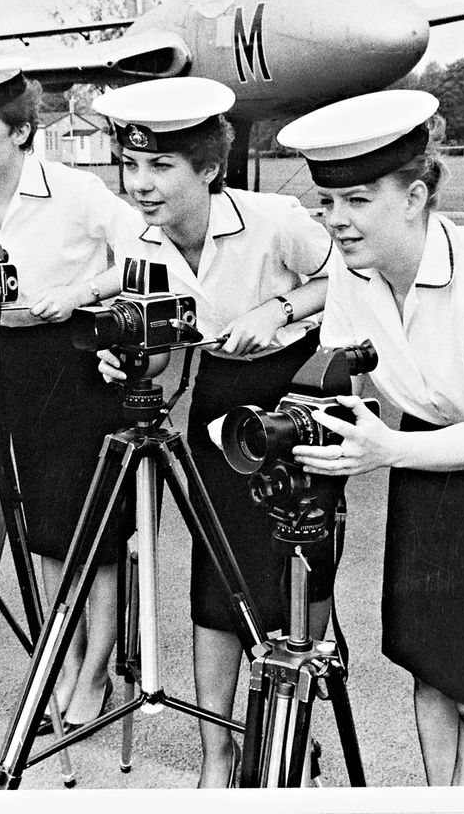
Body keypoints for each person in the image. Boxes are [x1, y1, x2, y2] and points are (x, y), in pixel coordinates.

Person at [277, 90, 464, 786]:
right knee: (428, 672)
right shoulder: (351, 271)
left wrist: (383, 450)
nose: (336, 221)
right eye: (326, 203)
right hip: (422, 466)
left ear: (416, 194)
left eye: (358, 200)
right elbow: (337, 388)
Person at [92, 77, 335, 788]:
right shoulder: (140, 236)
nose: (140, 184)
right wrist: (131, 355)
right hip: (219, 397)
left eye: (161, 167)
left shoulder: (275, 217)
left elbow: (348, 277)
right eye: (130, 166)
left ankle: (291, 736)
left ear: (207, 169)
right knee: (214, 580)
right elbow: (168, 331)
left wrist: (281, 307)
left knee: (294, 572)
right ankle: (216, 757)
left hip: (298, 392)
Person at [0, 59, 143, 728]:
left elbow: (142, 254)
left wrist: (80, 293)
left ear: (20, 132)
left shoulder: (75, 191)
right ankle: (64, 661)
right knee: (40, 528)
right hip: (1, 358)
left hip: (70, 361)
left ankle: (96, 672)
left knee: (91, 529)